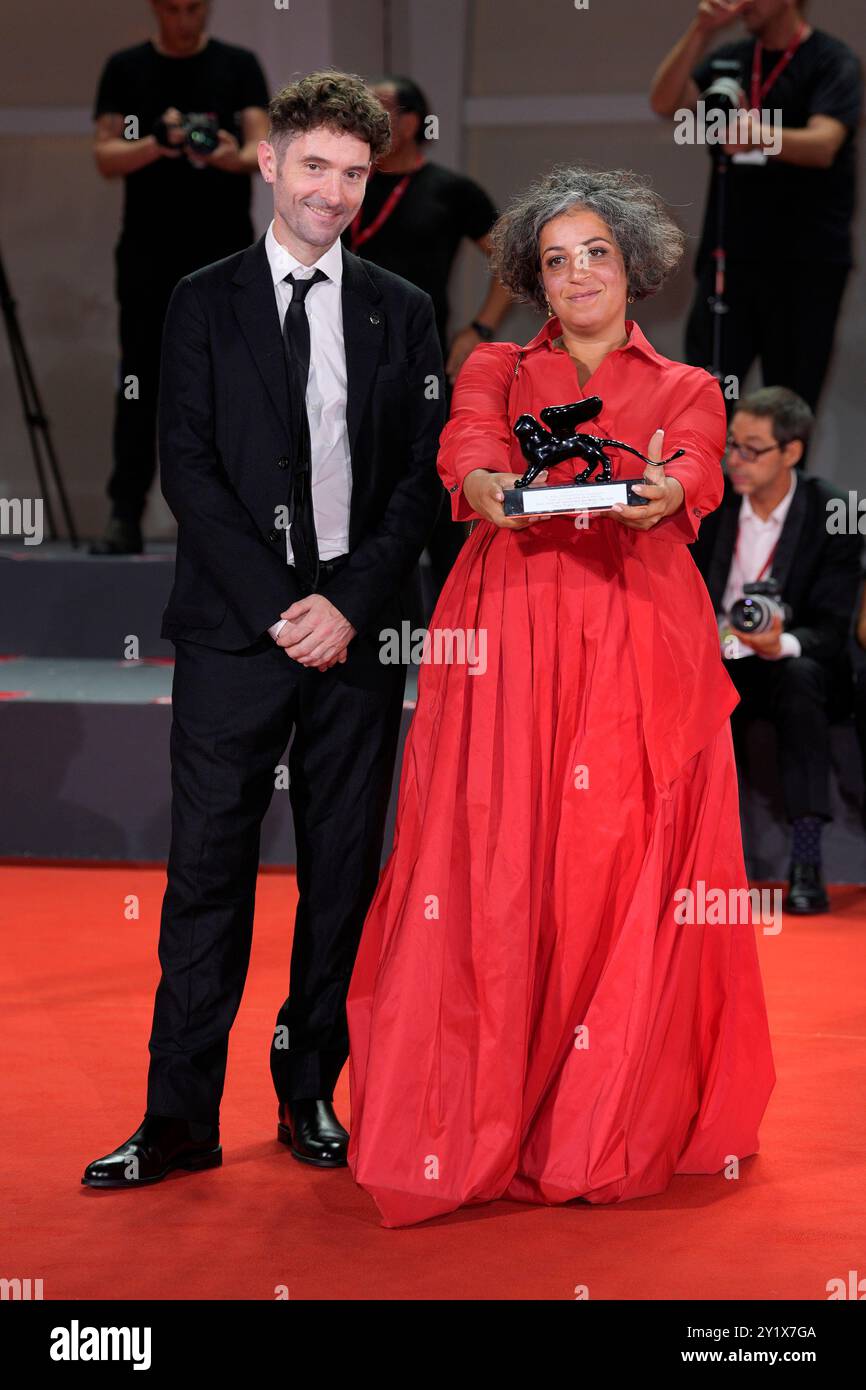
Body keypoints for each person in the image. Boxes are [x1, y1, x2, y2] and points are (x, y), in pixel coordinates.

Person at [346, 166, 776, 1228]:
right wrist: (487, 488)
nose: (578, 271)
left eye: (594, 251)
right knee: (499, 855)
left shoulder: (681, 383)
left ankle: (601, 1114)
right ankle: (483, 1111)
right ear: (530, 280)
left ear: (630, 263)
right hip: (511, 629)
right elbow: (470, 453)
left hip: (638, 636)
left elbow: (697, 468)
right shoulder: (494, 364)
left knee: (619, 864)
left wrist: (667, 491)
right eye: (554, 257)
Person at [81, 70, 446, 1188]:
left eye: (354, 171)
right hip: (241, 634)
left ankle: (307, 1095)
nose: (332, 192)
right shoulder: (199, 299)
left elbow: (418, 484)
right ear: (270, 161)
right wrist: (282, 609)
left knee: (339, 875)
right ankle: (179, 1116)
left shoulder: (404, 306)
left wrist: (347, 605)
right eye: (315, 166)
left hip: (356, 633)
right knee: (205, 878)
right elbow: (184, 467)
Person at [89, 0, 270, 554]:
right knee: (139, 379)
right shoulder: (125, 67)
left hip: (223, 254)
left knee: (229, 382)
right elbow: (104, 154)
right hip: (147, 254)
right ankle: (125, 512)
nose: (184, 20)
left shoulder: (238, 64)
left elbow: (259, 151)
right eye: (172, 9)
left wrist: (220, 154)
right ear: (155, 10)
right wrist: (157, 144)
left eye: (193, 9)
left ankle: (235, 516)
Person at [690, 387, 862, 912]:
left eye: (752, 449)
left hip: (795, 661)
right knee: (693, 681)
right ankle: (699, 864)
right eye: (732, 445)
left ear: (792, 452)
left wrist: (778, 640)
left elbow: (834, 628)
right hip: (720, 653)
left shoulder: (835, 510)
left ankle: (806, 862)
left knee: (802, 679)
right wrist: (722, 639)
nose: (734, 461)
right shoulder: (711, 501)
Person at [342, 75, 513, 599]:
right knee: (353, 496)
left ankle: (454, 627)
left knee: (433, 493)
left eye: (377, 111)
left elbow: (511, 262)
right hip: (342, 360)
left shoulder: (449, 189)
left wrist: (480, 328)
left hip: (421, 364)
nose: (363, 122)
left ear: (412, 121)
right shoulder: (345, 184)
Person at [650, 0, 862, 414]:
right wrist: (700, 29)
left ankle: (782, 478)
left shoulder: (832, 60)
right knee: (703, 401)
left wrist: (759, 135)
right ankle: (705, 480)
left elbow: (824, 145)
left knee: (788, 408)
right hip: (729, 260)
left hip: (805, 268)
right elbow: (664, 102)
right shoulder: (729, 60)